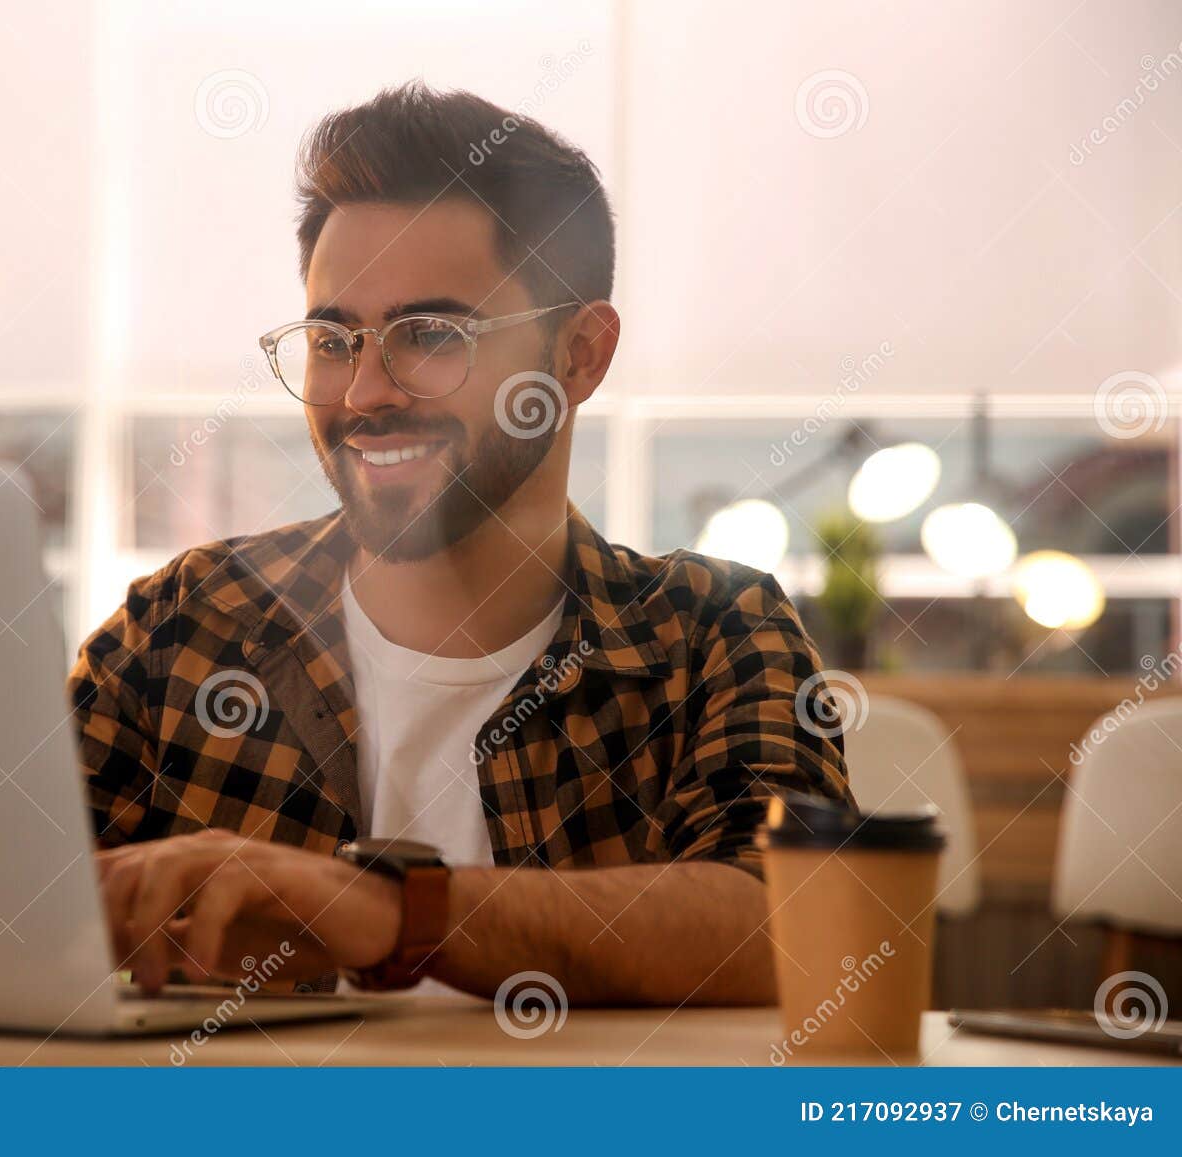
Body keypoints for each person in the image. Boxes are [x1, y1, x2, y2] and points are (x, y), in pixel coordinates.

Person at [70, 83, 852, 1005]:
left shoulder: (714, 635)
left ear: (580, 355)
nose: (364, 393)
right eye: (333, 339)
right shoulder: (182, 627)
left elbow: (798, 927)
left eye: (431, 334)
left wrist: (391, 908)